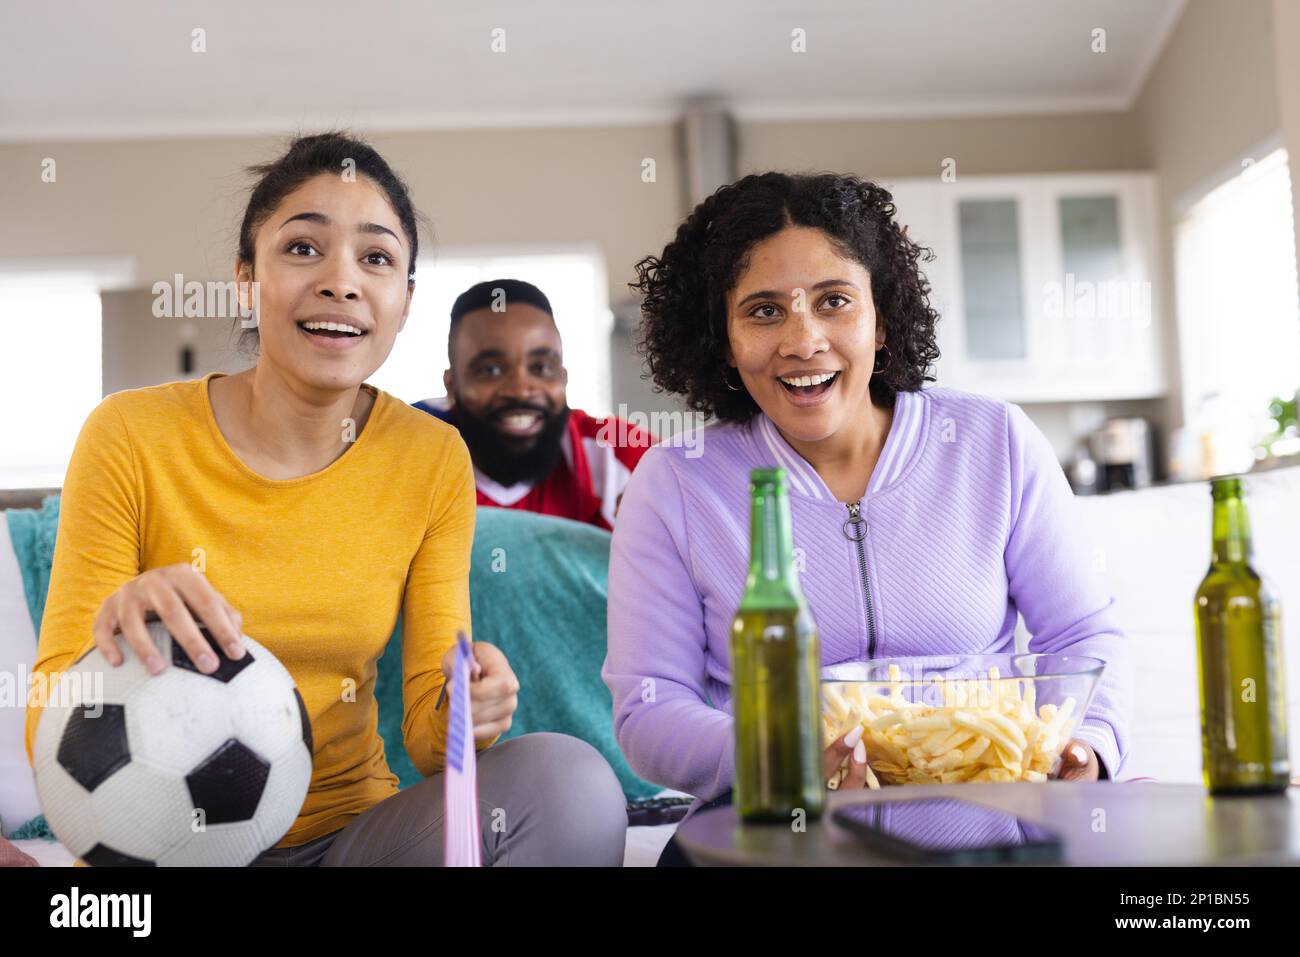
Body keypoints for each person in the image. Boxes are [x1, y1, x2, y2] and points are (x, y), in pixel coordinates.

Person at [25, 132, 627, 866]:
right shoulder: (127, 432)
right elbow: (46, 722)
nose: (341, 280)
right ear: (245, 281)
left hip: (346, 843)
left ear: (404, 302)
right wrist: (114, 640)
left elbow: (430, 736)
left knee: (572, 785)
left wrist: (473, 709)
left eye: (375, 258)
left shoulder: (431, 457)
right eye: (303, 248)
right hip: (167, 852)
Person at [601, 171, 1133, 866]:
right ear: (723, 338)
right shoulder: (674, 484)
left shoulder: (994, 442)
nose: (803, 339)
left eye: (834, 301)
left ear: (880, 321)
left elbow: (1083, 631)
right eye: (763, 311)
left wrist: (1086, 742)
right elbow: (650, 702)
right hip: (777, 833)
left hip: (991, 830)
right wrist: (783, 752)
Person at [413, 279, 653, 530]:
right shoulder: (407, 452)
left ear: (563, 377)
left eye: (541, 367)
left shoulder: (621, 458)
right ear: (452, 386)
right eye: (491, 370)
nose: (520, 390)